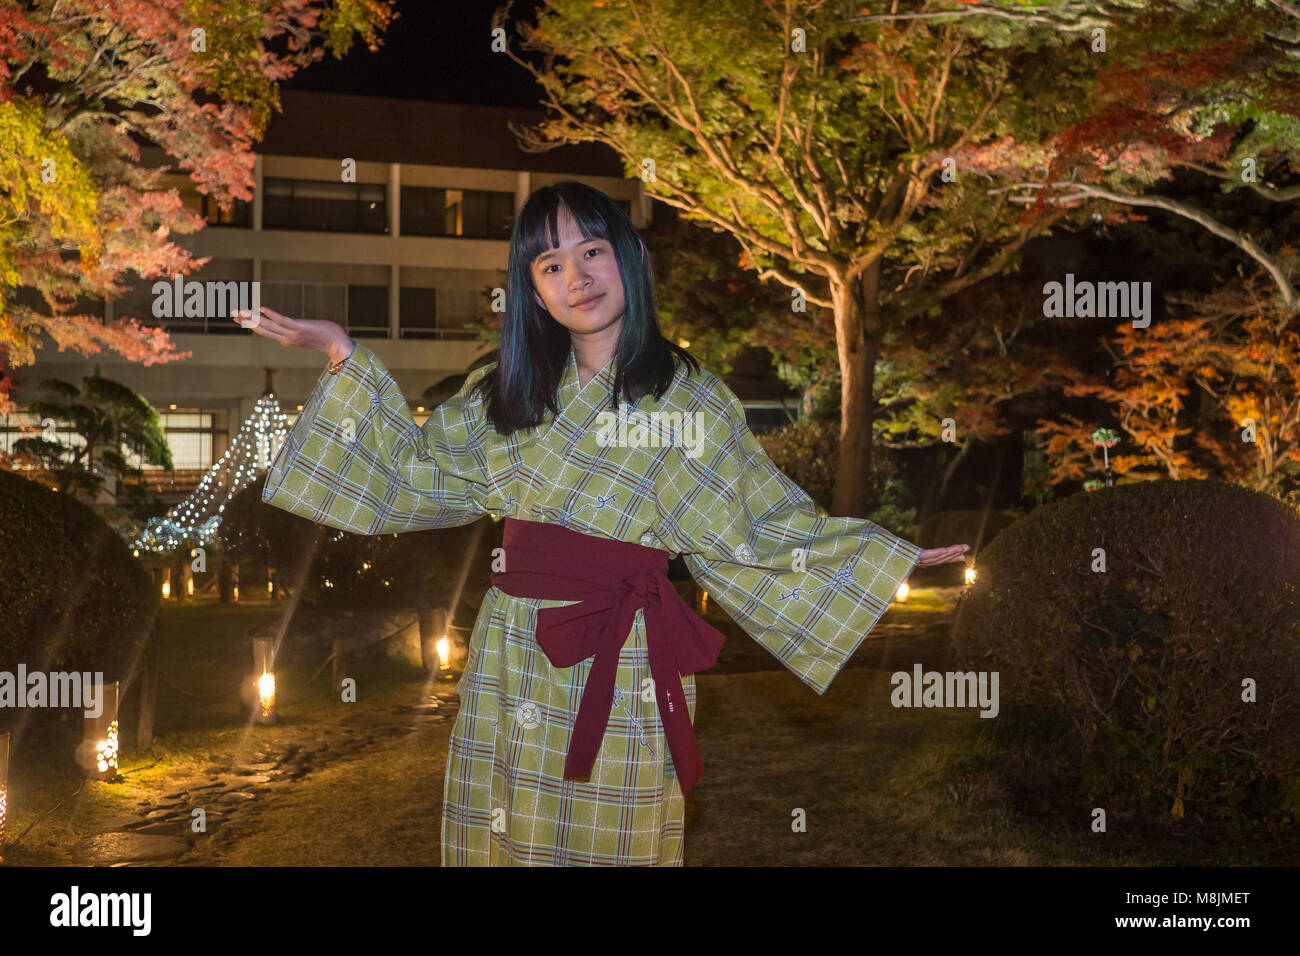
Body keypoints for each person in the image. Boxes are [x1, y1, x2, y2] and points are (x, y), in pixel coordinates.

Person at [237, 180, 970, 866]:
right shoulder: (507, 394)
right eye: (550, 264)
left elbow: (752, 526)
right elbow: (408, 473)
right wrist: (342, 353)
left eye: (592, 251)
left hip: (623, 660)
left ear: (632, 256)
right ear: (532, 291)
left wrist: (877, 557)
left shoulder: (690, 401)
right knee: (501, 829)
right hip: (511, 650)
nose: (576, 276)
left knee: (613, 834)